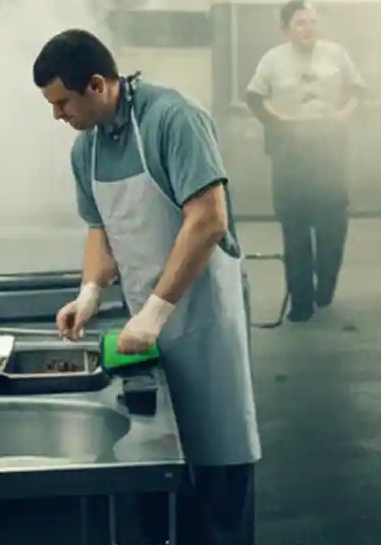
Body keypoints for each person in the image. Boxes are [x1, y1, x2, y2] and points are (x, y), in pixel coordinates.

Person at [33, 29, 259, 544]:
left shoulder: (174, 118)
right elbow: (101, 228)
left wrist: (156, 312)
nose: (58, 116)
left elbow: (208, 221)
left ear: (97, 85)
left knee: (220, 459)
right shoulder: (86, 149)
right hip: (144, 327)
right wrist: (90, 292)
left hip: (202, 319)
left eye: (62, 103)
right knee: (161, 458)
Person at [245, 0, 366, 323]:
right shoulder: (273, 59)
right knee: (294, 226)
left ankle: (325, 286)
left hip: (329, 149)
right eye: (300, 23)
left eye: (312, 22)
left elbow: (358, 90)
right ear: (286, 28)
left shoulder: (336, 54)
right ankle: (301, 301)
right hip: (290, 152)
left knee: (332, 225)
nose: (307, 28)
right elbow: (254, 97)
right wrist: (279, 121)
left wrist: (343, 115)